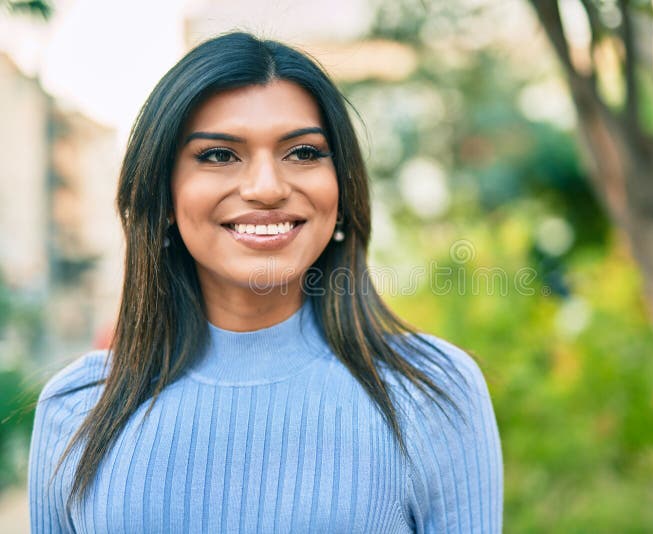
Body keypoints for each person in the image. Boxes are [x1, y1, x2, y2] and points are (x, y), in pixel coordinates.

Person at [28, 32, 503, 533]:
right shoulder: (78, 407)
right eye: (218, 155)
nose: (267, 188)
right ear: (164, 195)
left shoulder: (430, 391)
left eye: (301, 152)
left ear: (342, 188)